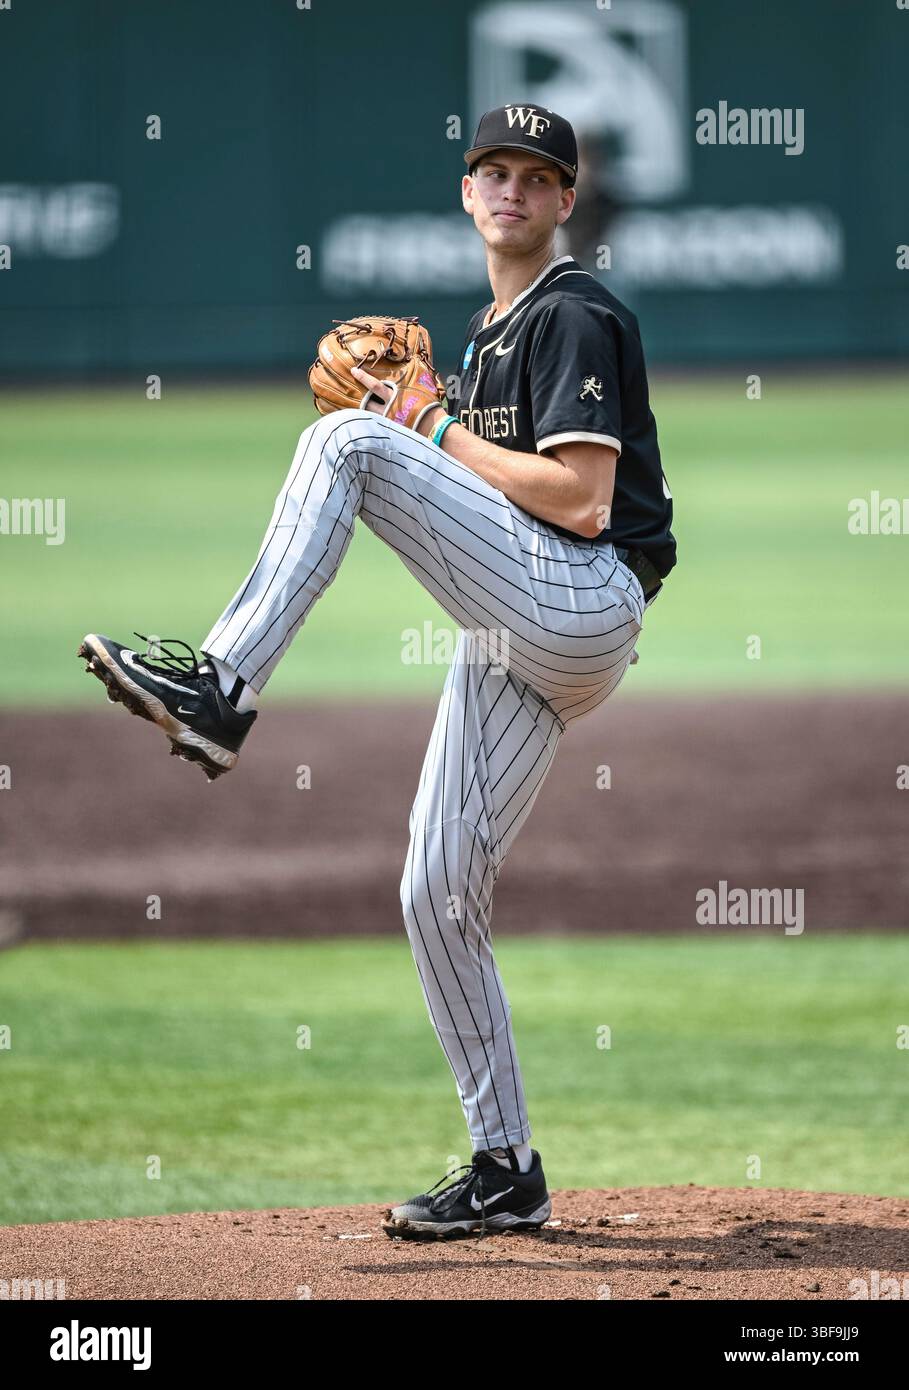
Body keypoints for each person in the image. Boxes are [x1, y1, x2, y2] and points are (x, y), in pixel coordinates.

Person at [78, 104, 676, 1241]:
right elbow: (489, 487)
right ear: (466, 192)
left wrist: (422, 426)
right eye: (490, 171)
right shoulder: (488, 333)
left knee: (348, 439)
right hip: (529, 630)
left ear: (562, 201)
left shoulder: (576, 310)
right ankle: (508, 1168)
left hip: (585, 599)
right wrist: (435, 417)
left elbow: (585, 502)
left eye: (534, 177)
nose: (510, 191)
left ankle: (220, 687)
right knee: (435, 890)